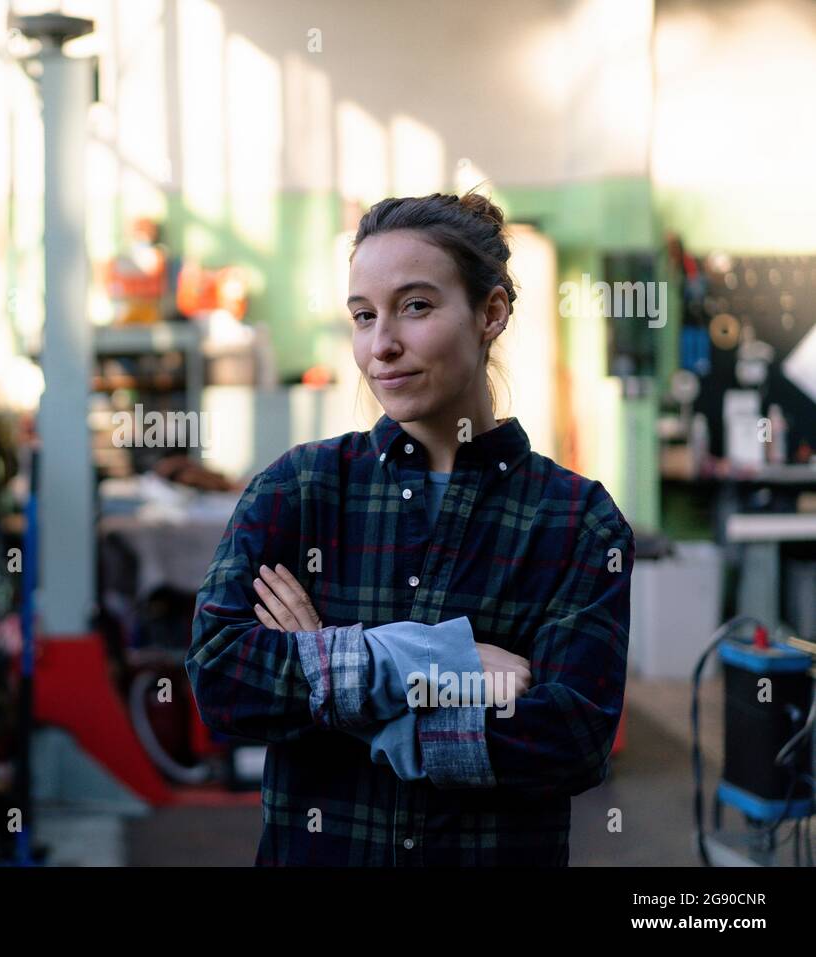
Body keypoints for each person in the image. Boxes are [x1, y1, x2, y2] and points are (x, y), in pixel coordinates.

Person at [186, 192, 635, 866]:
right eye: (363, 316)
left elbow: (570, 738)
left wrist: (332, 677)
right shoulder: (299, 489)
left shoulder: (575, 520)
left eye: (415, 306)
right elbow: (220, 682)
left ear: (492, 312)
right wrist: (423, 661)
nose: (381, 344)